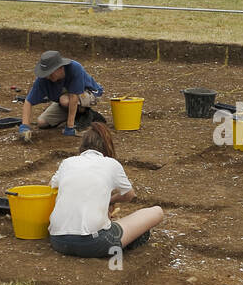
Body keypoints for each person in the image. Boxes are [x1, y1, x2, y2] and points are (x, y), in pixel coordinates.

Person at [48, 122, 164, 258]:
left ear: (82, 146)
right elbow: (129, 195)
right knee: (157, 212)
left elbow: (50, 185)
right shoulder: (111, 164)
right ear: (106, 146)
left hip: (58, 240)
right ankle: (126, 241)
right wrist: (110, 200)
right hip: (93, 243)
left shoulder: (68, 162)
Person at [19, 50, 105, 142]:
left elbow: (74, 97)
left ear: (60, 68)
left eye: (50, 73)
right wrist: (25, 127)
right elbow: (28, 102)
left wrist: (70, 127)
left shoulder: (75, 68)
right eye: (46, 74)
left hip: (89, 93)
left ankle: (86, 114)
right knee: (42, 123)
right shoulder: (43, 79)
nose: (48, 77)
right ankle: (75, 115)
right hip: (66, 100)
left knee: (64, 100)